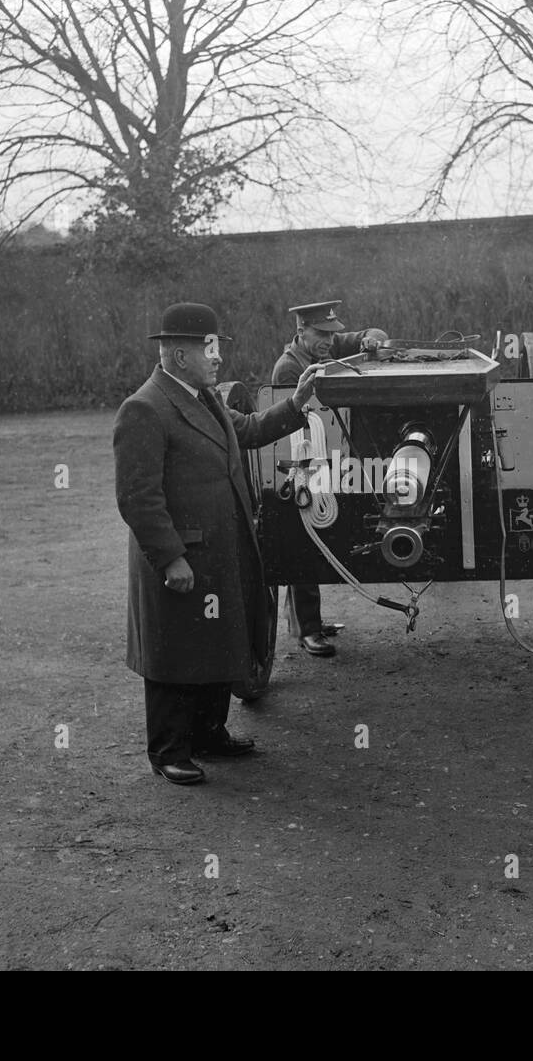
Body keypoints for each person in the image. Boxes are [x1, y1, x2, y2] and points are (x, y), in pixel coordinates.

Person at [113, 302, 325, 786]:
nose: (217, 359)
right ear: (178, 354)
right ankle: (168, 750)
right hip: (182, 559)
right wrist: (170, 558)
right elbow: (137, 498)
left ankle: (209, 734)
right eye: (208, 349)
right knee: (172, 655)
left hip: (219, 551)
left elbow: (248, 431)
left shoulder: (203, 397)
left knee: (213, 642)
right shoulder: (145, 408)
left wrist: (297, 404)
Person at [270, 300, 386, 658]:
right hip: (308, 458)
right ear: (301, 331)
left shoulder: (327, 346)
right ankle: (307, 629)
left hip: (337, 454)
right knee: (304, 537)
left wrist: (372, 340)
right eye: (320, 334)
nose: (328, 341)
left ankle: (311, 622)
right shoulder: (288, 369)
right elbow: (297, 420)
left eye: (331, 333)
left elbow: (371, 333)